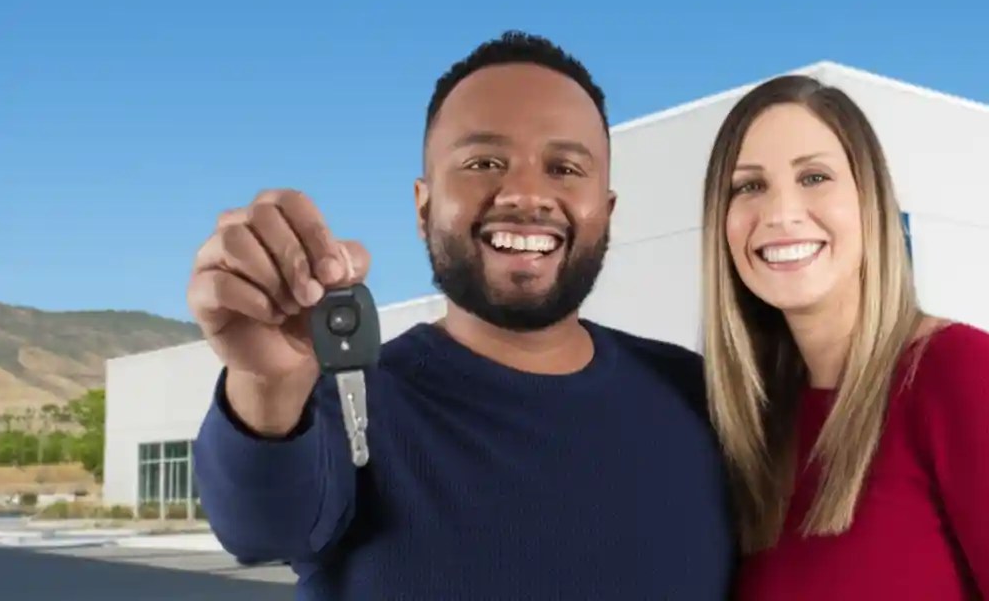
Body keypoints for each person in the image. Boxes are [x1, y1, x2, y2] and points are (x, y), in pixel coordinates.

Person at [188, 31, 736, 600]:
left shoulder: (700, 398)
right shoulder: (342, 403)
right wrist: (267, 384)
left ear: (608, 210)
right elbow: (259, 528)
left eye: (565, 168)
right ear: (423, 207)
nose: (526, 194)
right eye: (484, 162)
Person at [698, 74, 989, 600]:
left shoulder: (963, 375)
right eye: (749, 186)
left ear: (870, 201)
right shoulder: (749, 420)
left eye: (814, 177)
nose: (780, 214)